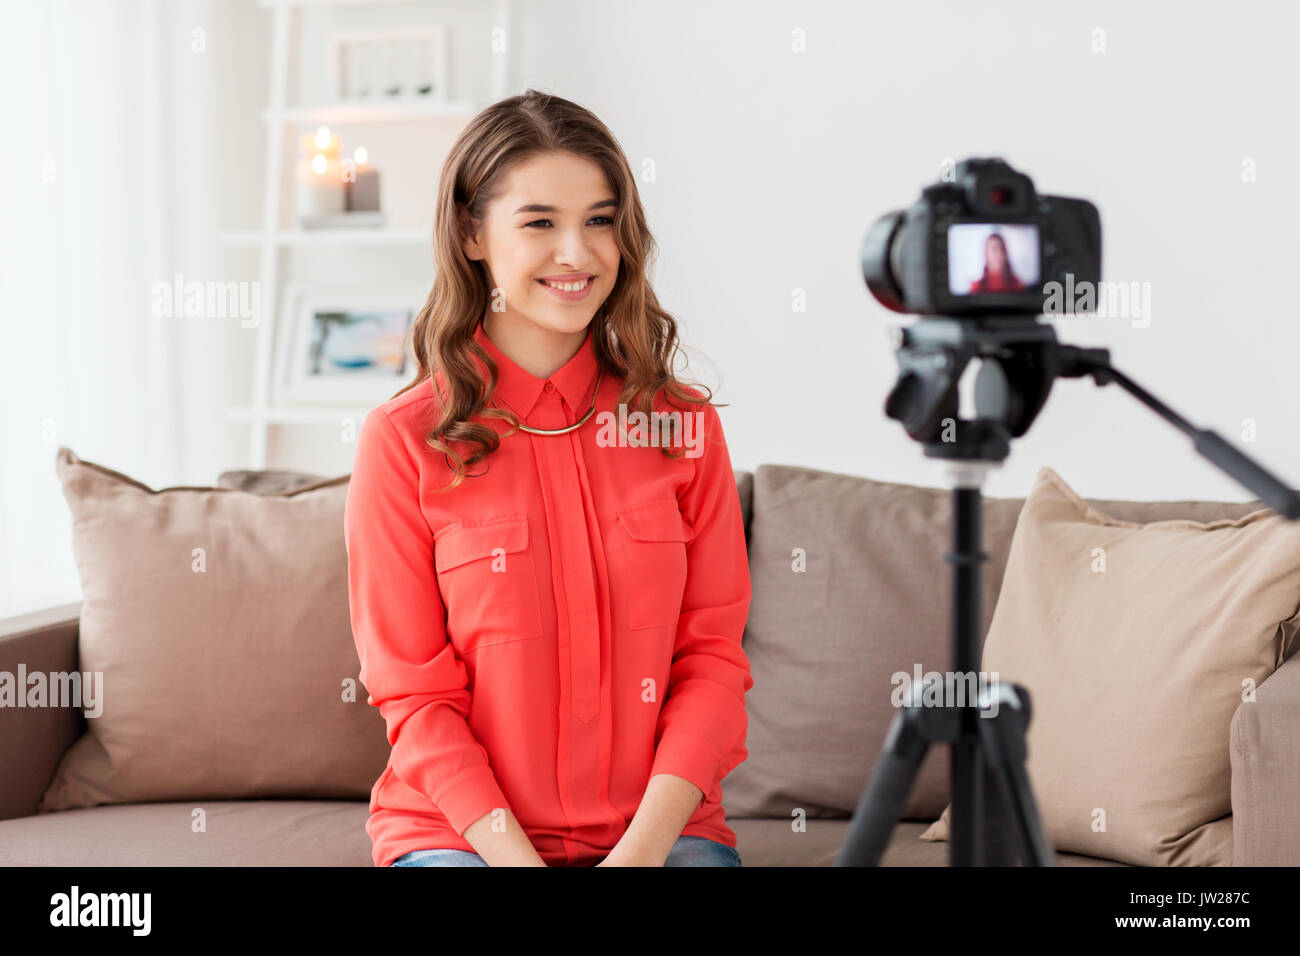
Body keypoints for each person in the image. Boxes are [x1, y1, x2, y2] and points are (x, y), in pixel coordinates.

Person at [344, 90, 752, 867]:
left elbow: (712, 662)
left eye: (600, 220)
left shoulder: (682, 427)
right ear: (472, 235)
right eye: (540, 223)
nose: (579, 253)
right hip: (460, 841)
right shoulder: (402, 442)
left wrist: (639, 854)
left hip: (661, 838)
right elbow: (416, 696)